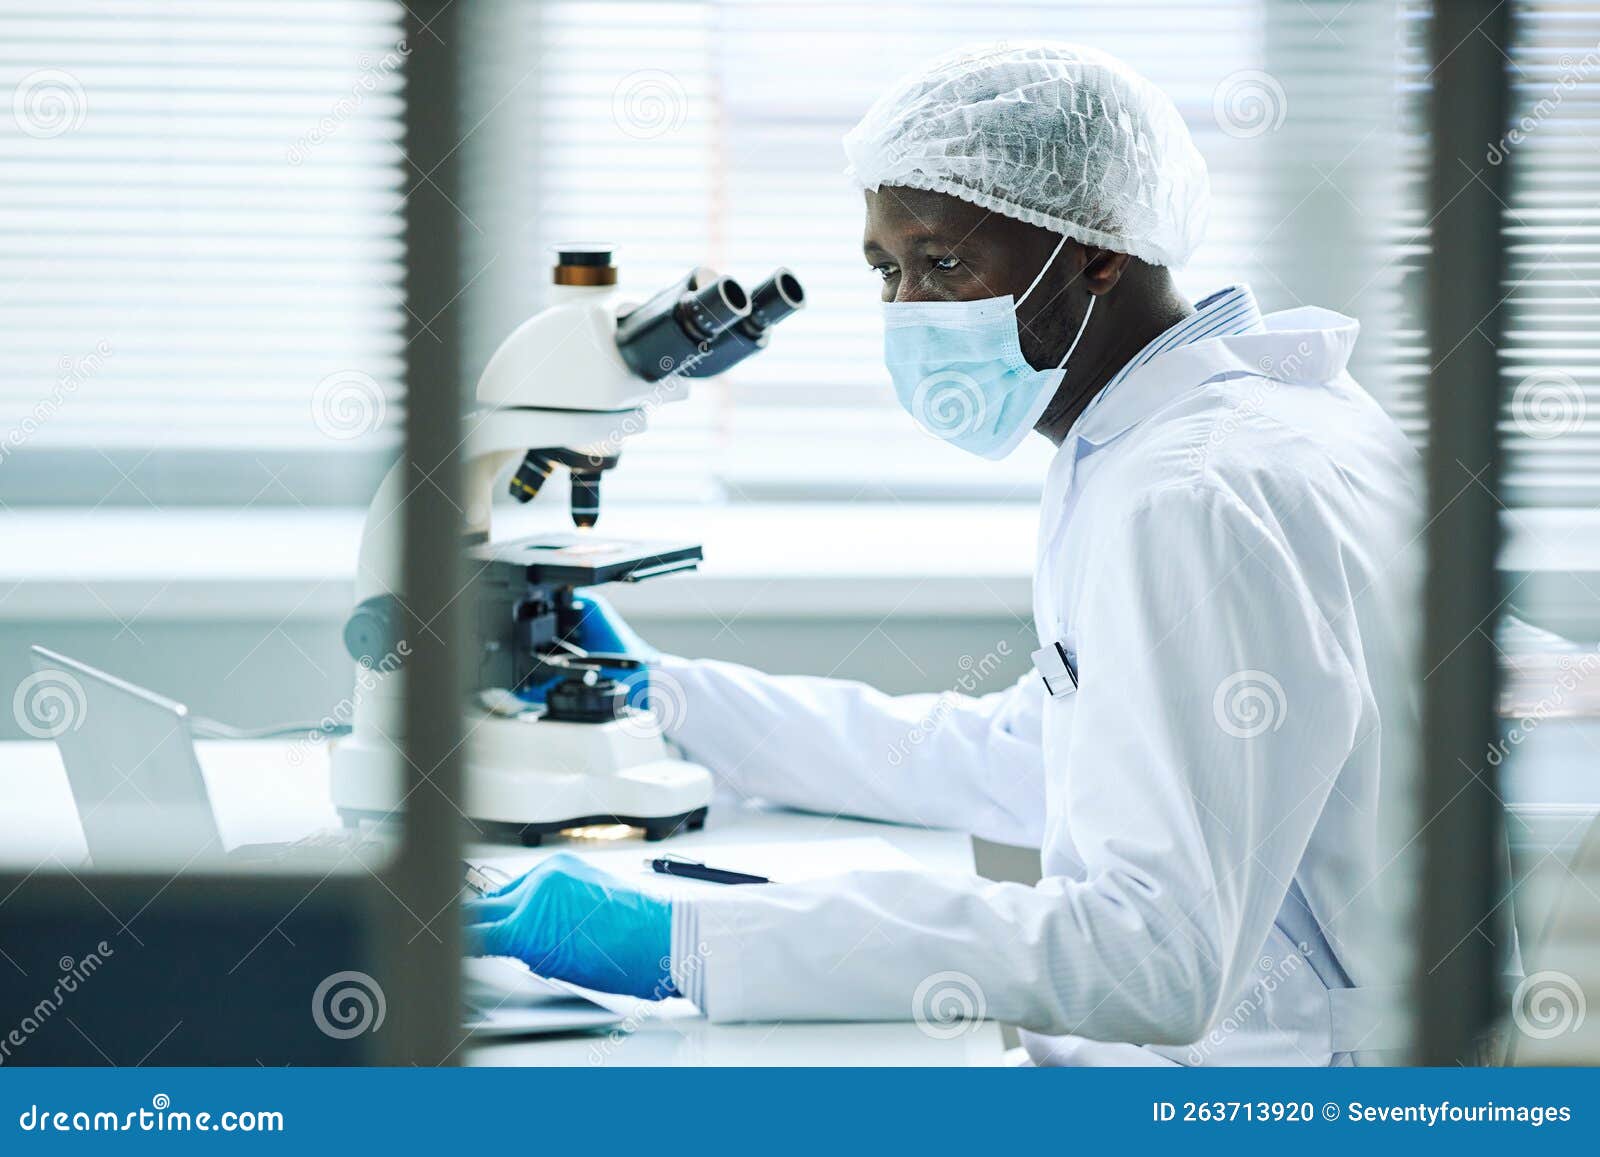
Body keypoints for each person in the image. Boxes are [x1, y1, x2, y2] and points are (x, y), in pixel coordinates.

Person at [465, 41, 1421, 1066]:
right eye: (886, 269)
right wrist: (669, 700)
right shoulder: (1228, 422)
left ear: (1097, 246)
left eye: (945, 262)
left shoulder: (1186, 493)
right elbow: (1030, 755)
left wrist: (686, 940)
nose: (908, 311)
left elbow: (1156, 955)